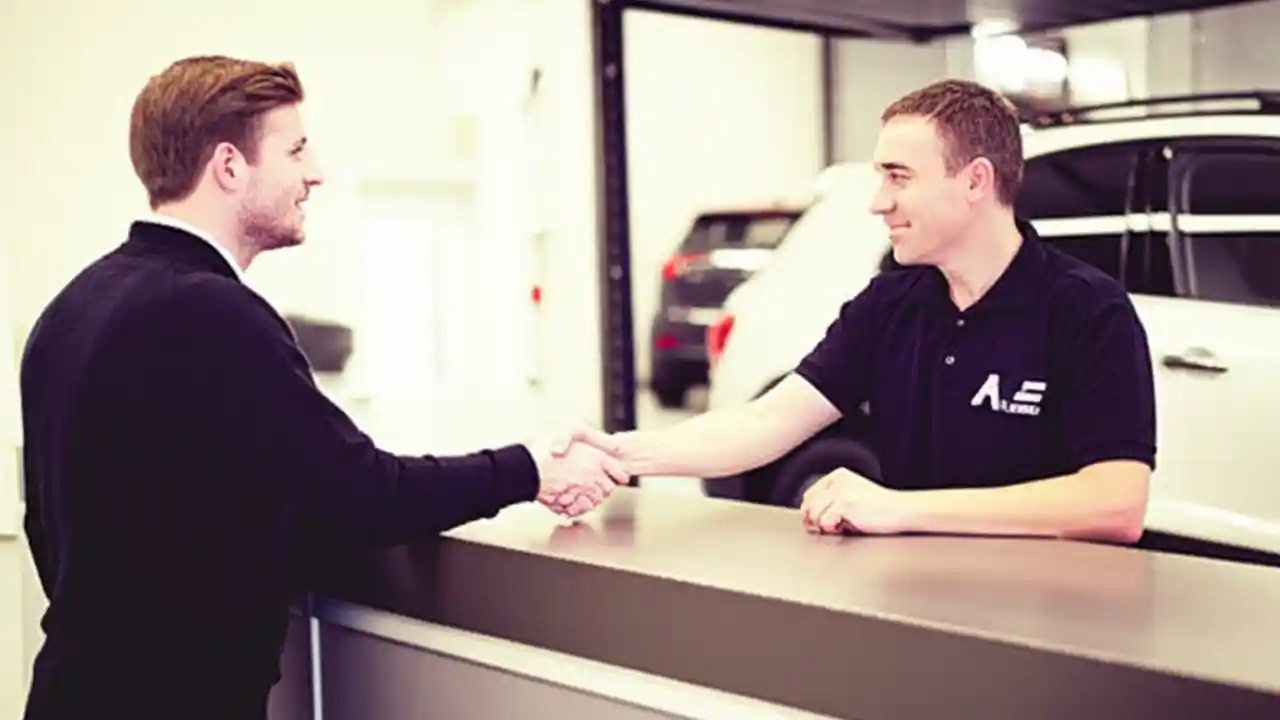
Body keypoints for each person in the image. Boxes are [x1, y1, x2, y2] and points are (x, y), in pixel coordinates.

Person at [19, 55, 623, 719]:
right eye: (297, 150)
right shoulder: (214, 312)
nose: (316, 173)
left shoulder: (70, 308)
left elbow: (50, 527)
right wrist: (530, 468)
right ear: (228, 167)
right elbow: (363, 494)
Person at [576, 79, 1156, 543]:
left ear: (976, 181)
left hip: (1048, 617)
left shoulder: (1087, 310)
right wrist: (616, 453)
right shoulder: (889, 306)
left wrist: (900, 509)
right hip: (917, 603)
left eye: (898, 177)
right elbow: (765, 423)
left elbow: (1115, 503)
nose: (878, 202)